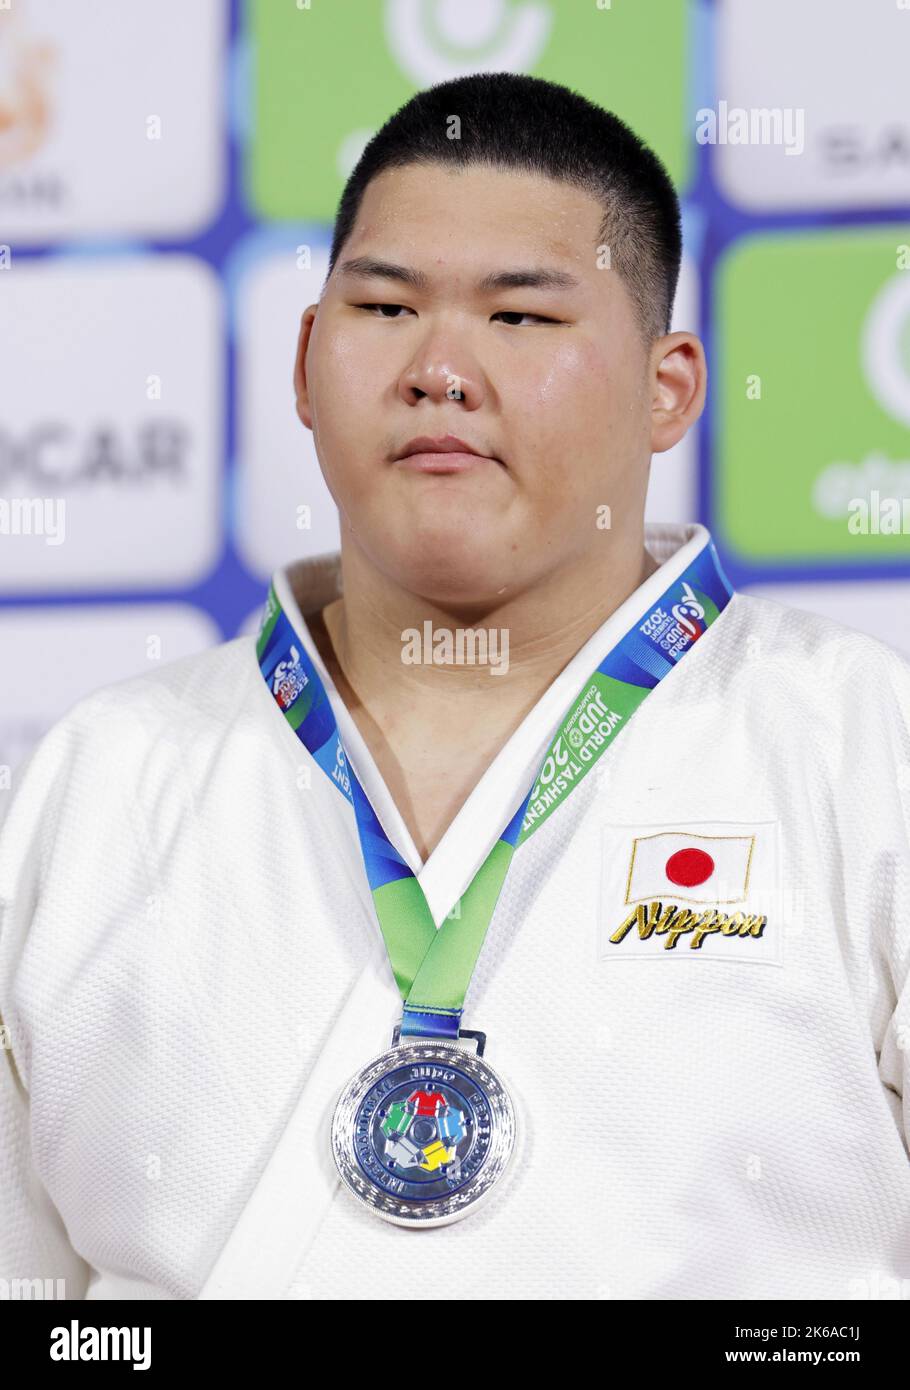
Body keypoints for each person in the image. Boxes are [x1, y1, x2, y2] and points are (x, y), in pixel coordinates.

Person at [1, 72, 909, 1302]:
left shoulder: (861, 747)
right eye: (384, 306)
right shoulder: (100, 777)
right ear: (310, 358)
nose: (441, 368)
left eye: (520, 319)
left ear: (667, 388)